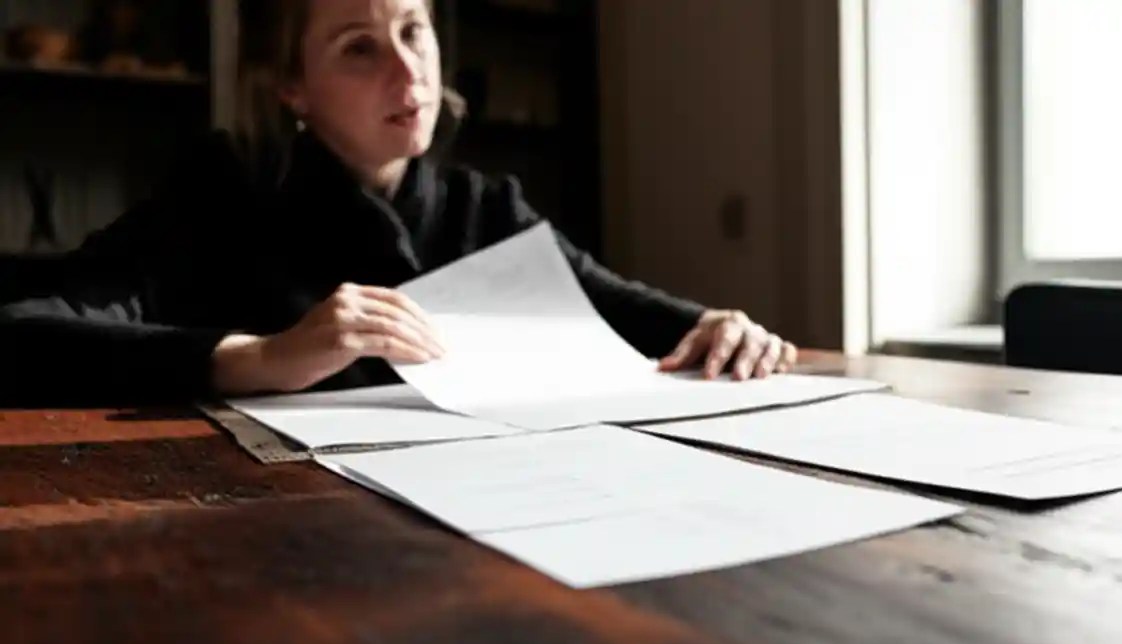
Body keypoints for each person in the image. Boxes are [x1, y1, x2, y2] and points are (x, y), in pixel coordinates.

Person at [0, 0, 797, 407]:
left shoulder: (482, 209)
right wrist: (256, 356)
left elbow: (620, 307)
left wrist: (715, 325)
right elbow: (24, 333)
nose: (407, 72)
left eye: (414, 30)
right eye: (359, 47)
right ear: (289, 86)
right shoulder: (223, 195)